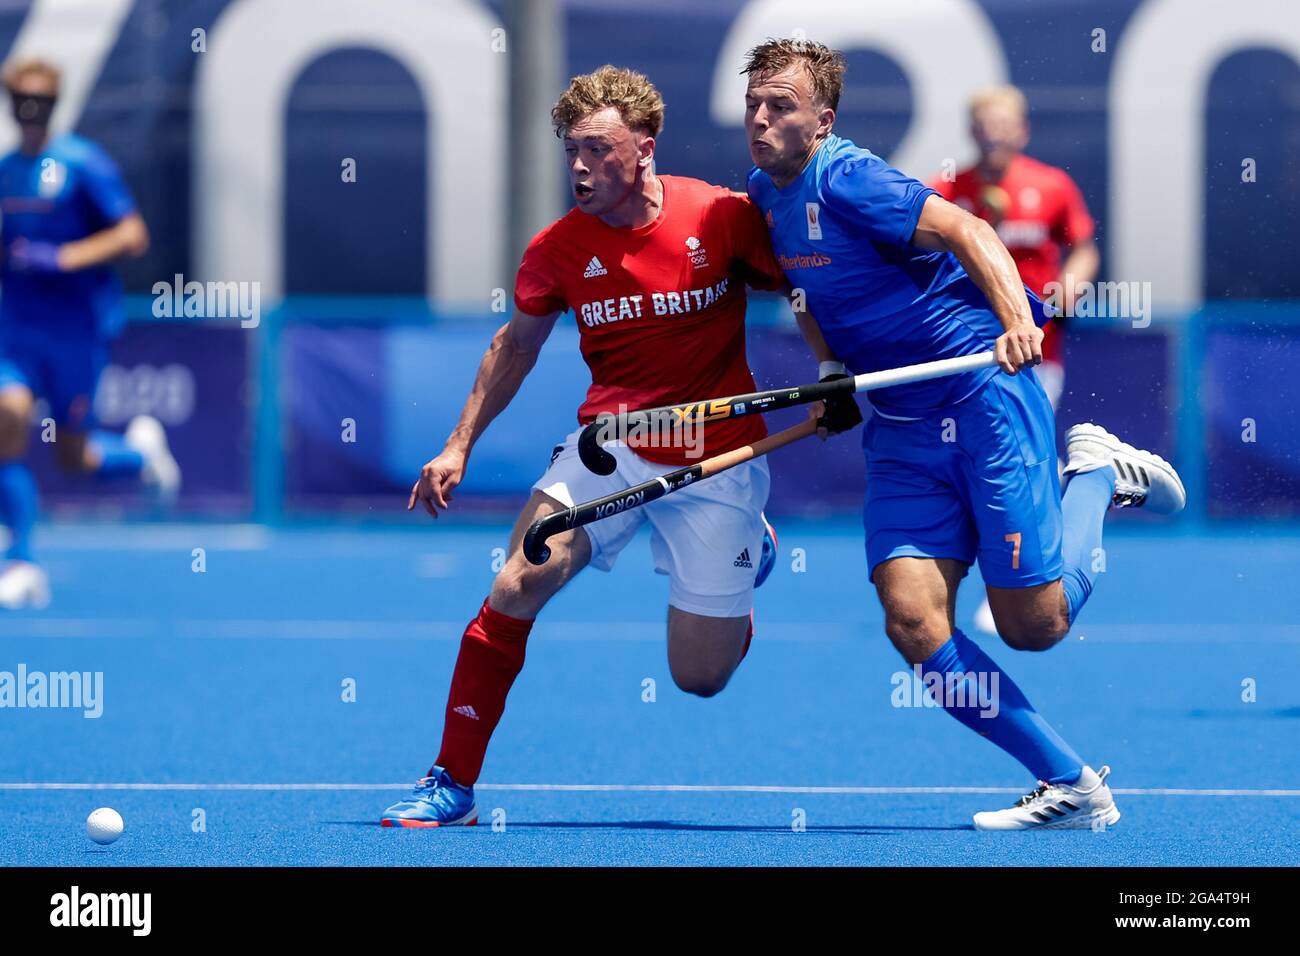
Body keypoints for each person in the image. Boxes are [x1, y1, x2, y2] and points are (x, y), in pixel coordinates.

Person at [742, 39, 1185, 829]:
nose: (761, 117)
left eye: (781, 104)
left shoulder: (851, 176)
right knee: (912, 619)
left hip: (983, 398)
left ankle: (1096, 478)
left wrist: (1021, 321)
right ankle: (1072, 784)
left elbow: (970, 233)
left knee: (1035, 627)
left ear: (824, 119)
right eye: (754, 103)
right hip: (903, 428)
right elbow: (808, 294)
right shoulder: (764, 196)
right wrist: (828, 367)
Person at [383, 65, 794, 828]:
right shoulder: (557, 249)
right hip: (614, 444)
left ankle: (747, 557)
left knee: (699, 679)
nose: (578, 165)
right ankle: (452, 782)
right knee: (517, 583)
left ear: (644, 147)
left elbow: (807, 287)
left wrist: (835, 368)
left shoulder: (720, 216)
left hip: (720, 460)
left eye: (598, 149)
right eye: (570, 149)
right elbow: (515, 347)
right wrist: (457, 445)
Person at [0, 57, 179, 609]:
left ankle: (141, 457)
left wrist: (66, 256)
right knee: (8, 419)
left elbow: (133, 234)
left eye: (42, 104)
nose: (32, 115)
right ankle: (24, 561)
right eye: (21, 104)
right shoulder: (5, 171)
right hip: (15, 335)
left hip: (75, 332)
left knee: (73, 459)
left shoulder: (82, 163)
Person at [927, 85, 1100, 635]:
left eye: (1006, 124)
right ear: (972, 132)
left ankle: (1023, 580)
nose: (995, 134)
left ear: (1022, 131)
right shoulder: (949, 190)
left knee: (1019, 463)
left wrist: (1073, 285)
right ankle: (993, 579)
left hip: (1034, 353)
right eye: (985, 125)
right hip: (963, 354)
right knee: (971, 466)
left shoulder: (1051, 185)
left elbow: (1084, 246)